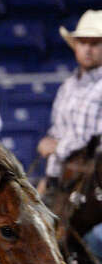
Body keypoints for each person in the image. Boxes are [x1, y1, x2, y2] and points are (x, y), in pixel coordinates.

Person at [41, 10, 102, 186]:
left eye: (95, 43)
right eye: (83, 42)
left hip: (92, 185)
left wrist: (58, 147)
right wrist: (48, 178)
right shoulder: (67, 87)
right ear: (76, 46)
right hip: (60, 180)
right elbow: (57, 132)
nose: (87, 49)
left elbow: (98, 146)